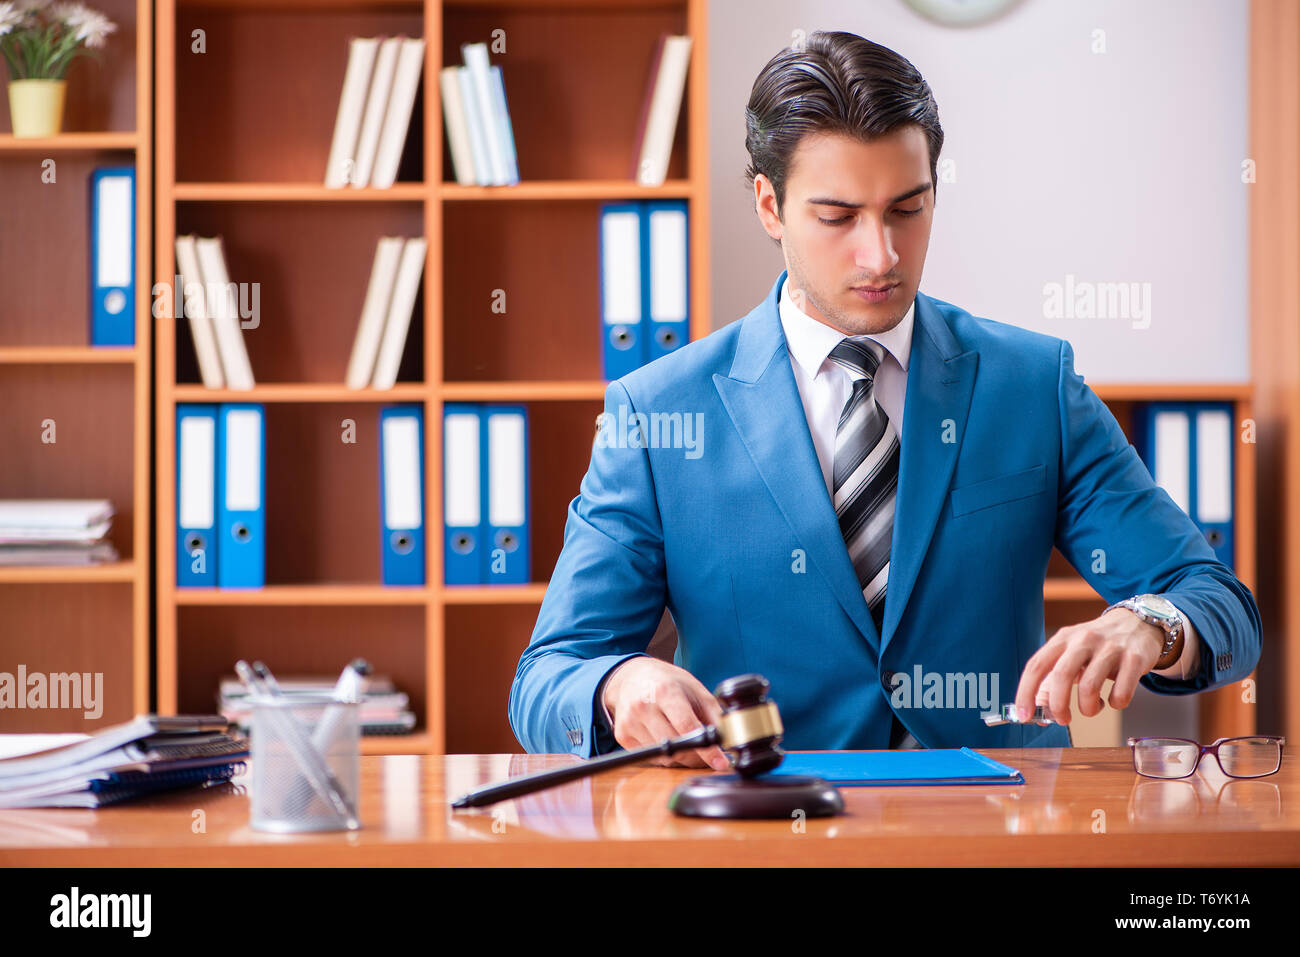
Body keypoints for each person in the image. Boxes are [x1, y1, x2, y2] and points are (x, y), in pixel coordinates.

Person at [508, 31, 1260, 769]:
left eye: (908, 208)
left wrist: (1149, 623)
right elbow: (548, 676)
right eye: (838, 217)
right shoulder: (656, 414)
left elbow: (1217, 601)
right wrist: (619, 682)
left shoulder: (1032, 384)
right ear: (769, 206)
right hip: (765, 832)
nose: (882, 256)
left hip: (999, 832)